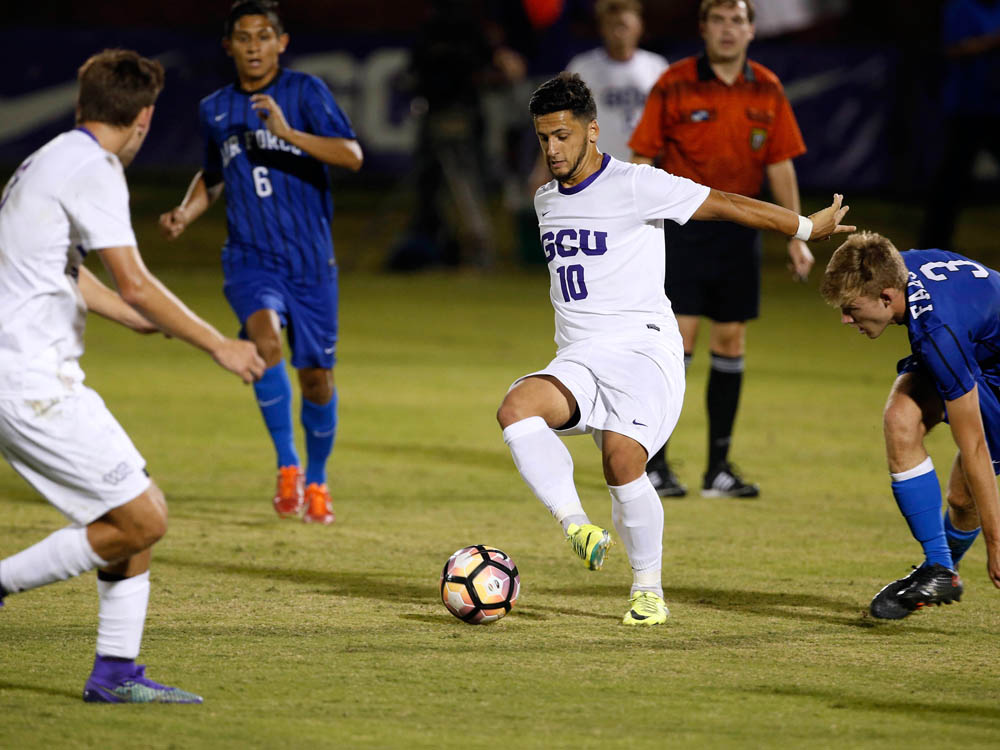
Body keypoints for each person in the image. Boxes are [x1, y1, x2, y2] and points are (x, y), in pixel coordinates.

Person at [498, 72, 851, 625]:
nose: (552, 149)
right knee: (515, 409)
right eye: (544, 138)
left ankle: (647, 588)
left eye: (562, 135)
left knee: (622, 461)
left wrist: (805, 226)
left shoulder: (637, 184)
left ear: (593, 131)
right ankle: (576, 525)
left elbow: (728, 203)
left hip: (644, 353)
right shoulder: (546, 200)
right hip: (579, 359)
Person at [0, 49, 265, 702]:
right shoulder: (95, 169)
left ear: (81, 104)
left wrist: (125, 315)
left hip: (27, 372)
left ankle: (116, 674)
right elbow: (139, 281)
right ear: (144, 118)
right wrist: (216, 345)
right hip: (33, 381)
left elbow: (61, 266)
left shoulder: (52, 158)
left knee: (129, 500)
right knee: (143, 519)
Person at [160, 1, 363, 524]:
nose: (254, 46)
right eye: (243, 38)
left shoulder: (306, 93)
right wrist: (186, 212)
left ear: (281, 42)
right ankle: (288, 466)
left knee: (317, 377)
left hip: (311, 261)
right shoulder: (216, 108)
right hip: (250, 257)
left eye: (263, 36)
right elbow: (212, 175)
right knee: (264, 341)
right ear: (228, 46)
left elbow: (351, 155)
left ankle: (318, 479)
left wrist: (288, 132)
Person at [628, 0, 812, 499]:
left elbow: (779, 163)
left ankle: (717, 471)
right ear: (703, 28)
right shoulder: (674, 82)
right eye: (718, 20)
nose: (728, 30)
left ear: (752, 30)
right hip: (683, 229)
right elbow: (642, 155)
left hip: (740, 231)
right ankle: (655, 464)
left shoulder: (767, 88)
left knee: (730, 342)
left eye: (737, 20)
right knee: (677, 343)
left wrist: (797, 233)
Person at [821, 232, 1000, 619]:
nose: (846, 318)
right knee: (900, 417)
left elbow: (974, 447)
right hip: (977, 344)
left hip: (992, 366)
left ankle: (943, 567)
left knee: (962, 499)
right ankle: (939, 568)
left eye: (852, 308)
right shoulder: (889, 266)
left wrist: (996, 542)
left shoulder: (939, 332)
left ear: (887, 297)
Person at [918, 0, 1000, 251]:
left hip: (996, 106)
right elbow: (951, 49)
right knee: (951, 179)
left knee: (951, 178)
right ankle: (934, 243)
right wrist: (990, 43)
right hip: (967, 107)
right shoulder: (960, 8)